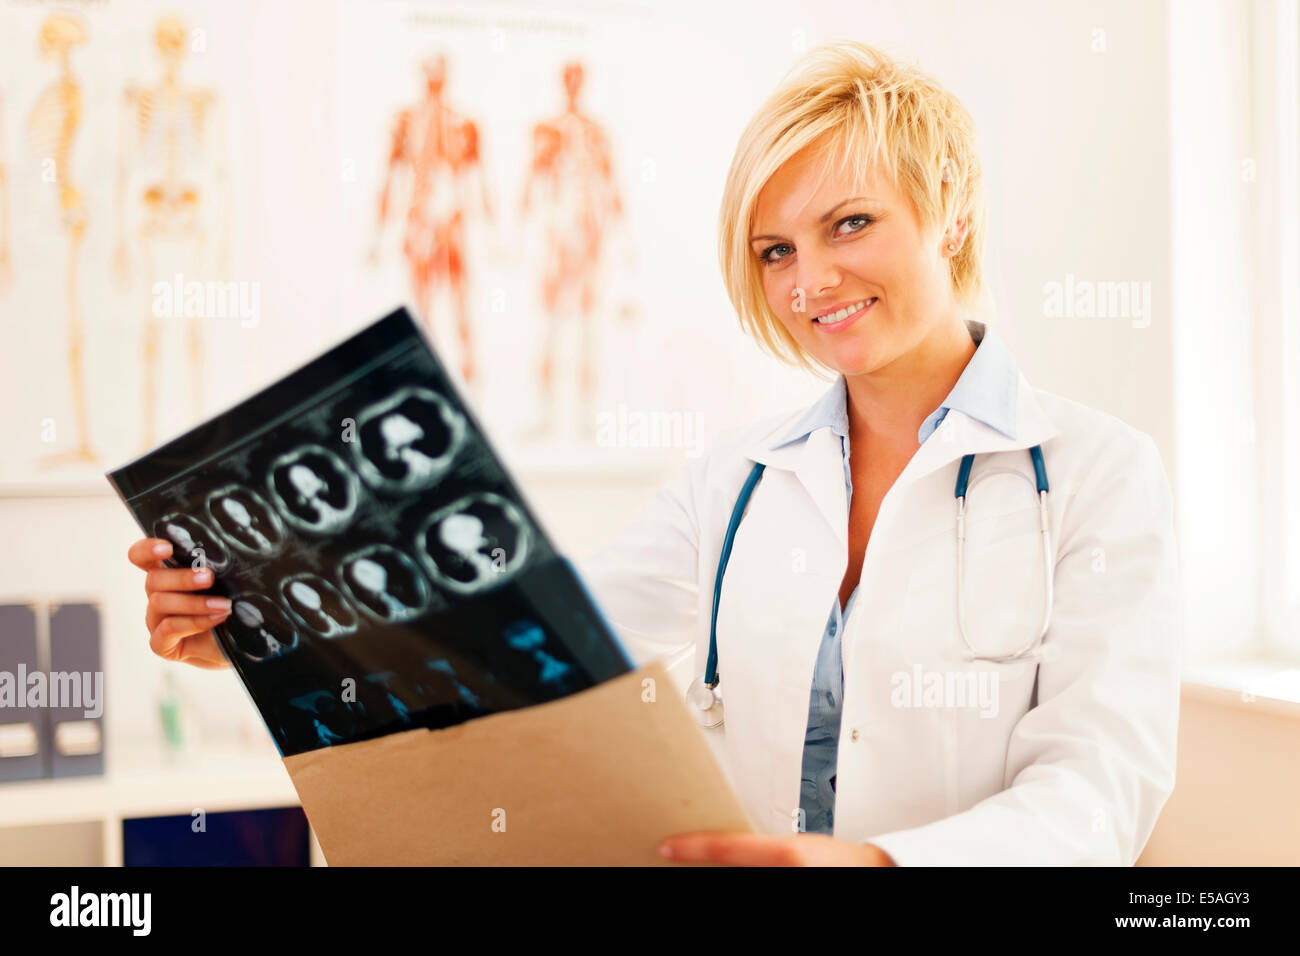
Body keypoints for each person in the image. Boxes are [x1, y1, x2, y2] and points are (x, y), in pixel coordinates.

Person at [127, 39, 1182, 866]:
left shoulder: (1095, 474)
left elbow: (1100, 790)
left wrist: (873, 861)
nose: (810, 280)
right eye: (776, 249)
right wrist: (264, 635)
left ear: (947, 210)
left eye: (849, 223)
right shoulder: (736, 481)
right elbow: (523, 640)